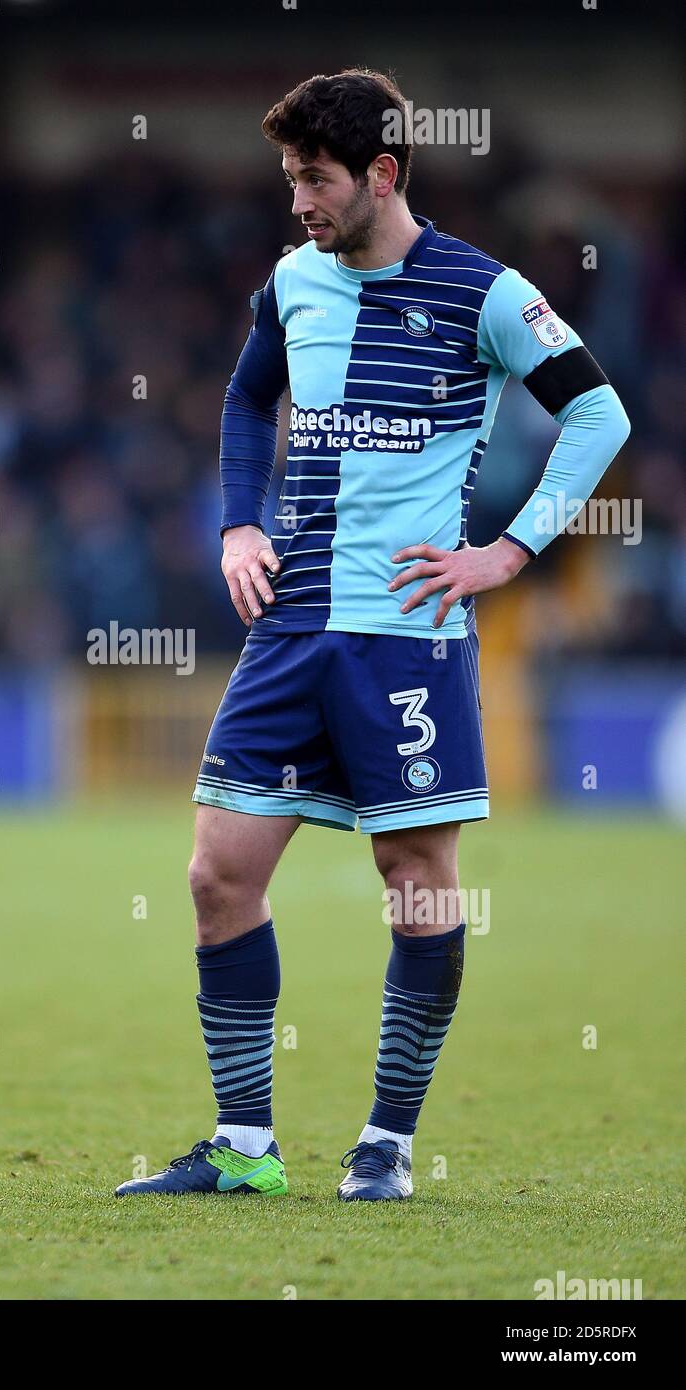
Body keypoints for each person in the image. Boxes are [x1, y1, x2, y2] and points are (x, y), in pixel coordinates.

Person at [115, 69, 629, 1201]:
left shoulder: (486, 291)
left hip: (406, 635)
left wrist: (509, 552)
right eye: (289, 179)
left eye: (314, 179)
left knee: (417, 881)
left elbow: (599, 412)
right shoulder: (291, 282)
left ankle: (386, 1144)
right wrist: (238, 523)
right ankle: (243, 1148)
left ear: (381, 174)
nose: (297, 201)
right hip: (290, 625)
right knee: (217, 875)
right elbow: (246, 399)